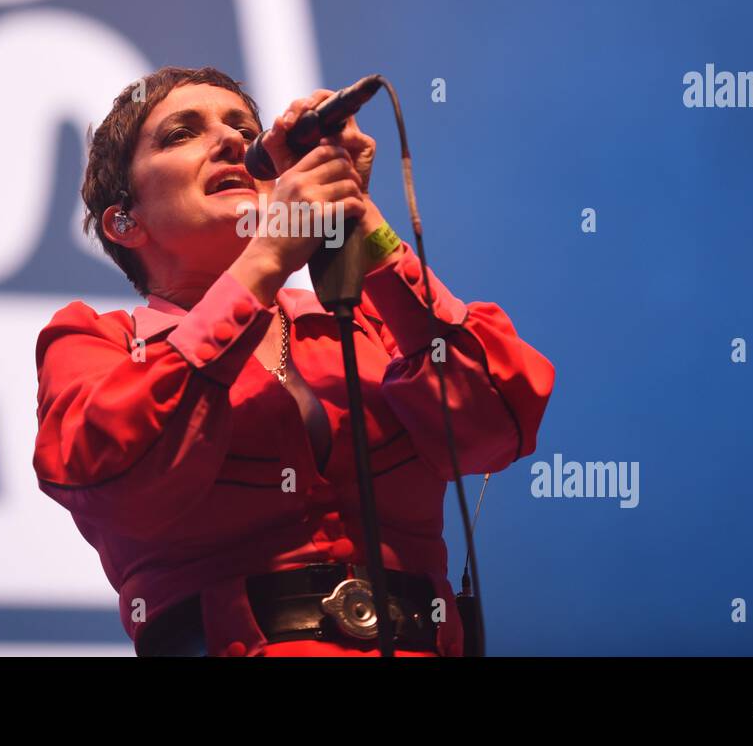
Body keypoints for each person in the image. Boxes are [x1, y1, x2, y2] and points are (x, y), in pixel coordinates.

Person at [32, 66, 555, 656]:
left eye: (243, 128)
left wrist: (360, 216)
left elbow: (499, 422)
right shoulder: (96, 342)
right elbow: (115, 474)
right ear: (123, 221)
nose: (231, 141)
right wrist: (269, 255)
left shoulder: (363, 318)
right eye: (181, 133)